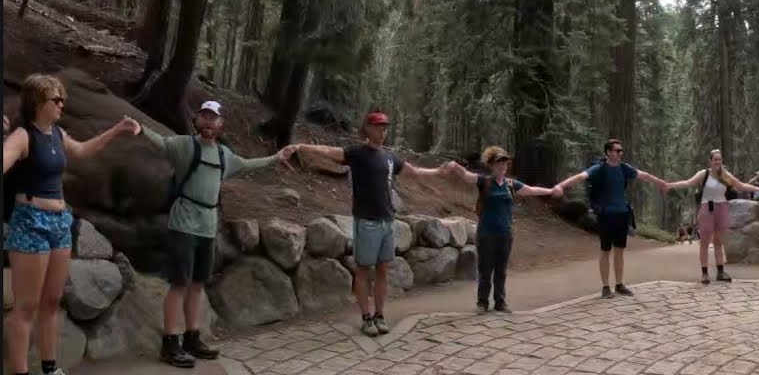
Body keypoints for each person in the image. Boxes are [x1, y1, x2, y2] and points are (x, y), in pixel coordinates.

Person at [3, 74, 141, 375]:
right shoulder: (23, 135)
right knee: (25, 307)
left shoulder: (57, 134)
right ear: (39, 102)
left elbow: (81, 151)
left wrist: (116, 130)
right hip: (30, 222)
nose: (62, 103)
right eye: (57, 99)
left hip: (60, 222)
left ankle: (50, 369)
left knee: (52, 301)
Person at [143, 100, 297, 368]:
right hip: (183, 223)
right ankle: (170, 344)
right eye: (203, 116)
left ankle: (192, 338)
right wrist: (137, 128)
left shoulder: (225, 156)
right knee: (179, 283)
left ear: (220, 123)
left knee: (197, 283)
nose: (207, 121)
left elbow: (249, 165)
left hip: (207, 225)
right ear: (198, 120)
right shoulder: (184, 145)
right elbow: (159, 142)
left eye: (213, 117)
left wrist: (276, 157)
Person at [291, 111, 456, 336]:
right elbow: (330, 152)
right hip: (366, 222)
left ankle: (379, 315)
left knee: (382, 270)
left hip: (387, 221)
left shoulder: (390, 158)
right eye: (378, 126)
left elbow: (414, 172)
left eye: (385, 127)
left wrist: (439, 171)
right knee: (363, 270)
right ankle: (366, 317)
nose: (382, 131)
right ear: (367, 128)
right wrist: (302, 146)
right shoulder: (357, 153)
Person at [553, 139, 669, 299]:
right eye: (617, 150)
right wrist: (561, 186)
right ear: (608, 152)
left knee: (620, 251)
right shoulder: (599, 169)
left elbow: (644, 175)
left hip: (622, 214)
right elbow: (580, 177)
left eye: (621, 150)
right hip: (606, 215)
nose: (621, 153)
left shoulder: (624, 168)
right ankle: (605, 287)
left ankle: (619, 284)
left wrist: (661, 183)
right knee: (605, 250)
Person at [446, 145, 555, 313]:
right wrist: (456, 167)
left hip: (505, 233)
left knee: (501, 270)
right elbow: (468, 177)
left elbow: (531, 190)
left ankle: (500, 302)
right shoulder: (485, 181)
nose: (502, 165)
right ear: (491, 165)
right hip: (486, 233)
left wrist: (551, 190)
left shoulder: (511, 184)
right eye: (498, 162)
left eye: (504, 162)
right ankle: (482, 303)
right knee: (485, 269)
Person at [665, 149, 759, 284]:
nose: (718, 162)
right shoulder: (704, 174)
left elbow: (741, 186)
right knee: (705, 242)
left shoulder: (725, 175)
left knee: (718, 241)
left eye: (720, 159)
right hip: (707, 208)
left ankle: (720, 271)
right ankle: (705, 273)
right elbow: (688, 182)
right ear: (711, 161)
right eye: (715, 159)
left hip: (722, 207)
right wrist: (670, 185)